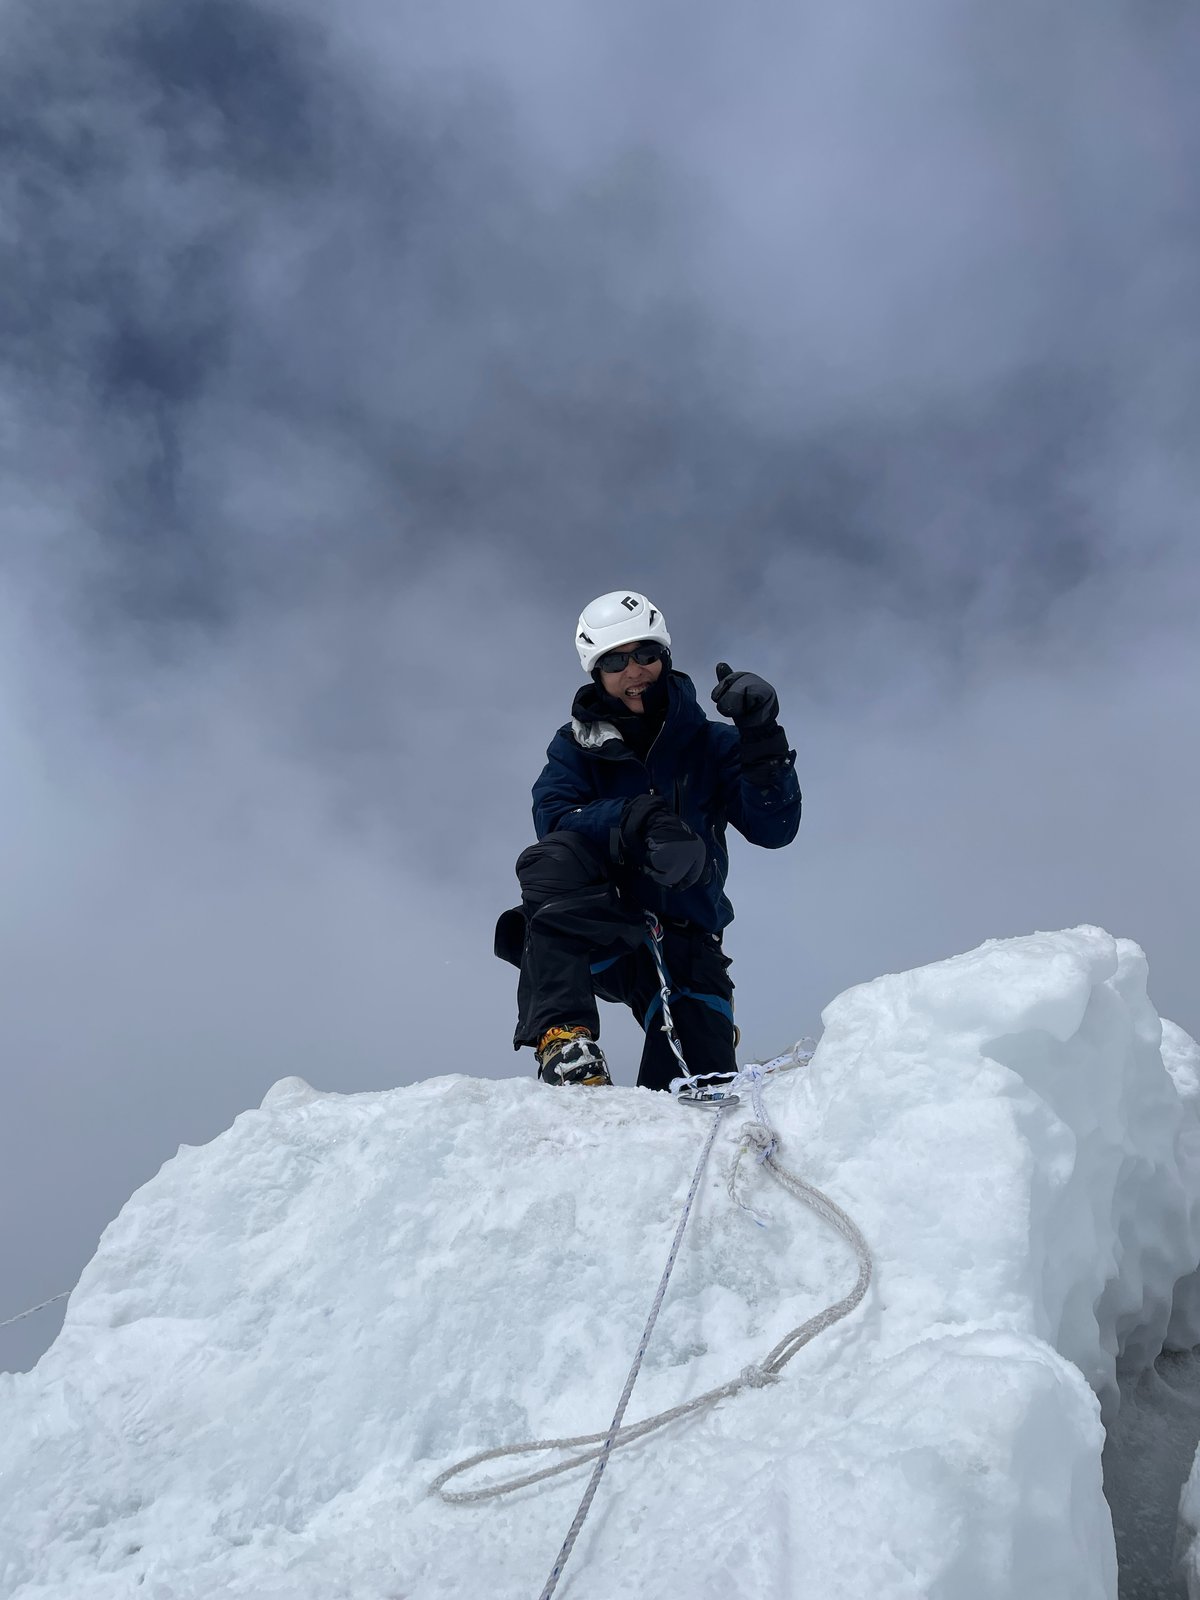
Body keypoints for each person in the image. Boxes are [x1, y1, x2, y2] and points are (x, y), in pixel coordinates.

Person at [494, 590, 802, 1089]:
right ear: (596, 672)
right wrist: (637, 820)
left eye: (645, 654)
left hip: (688, 939)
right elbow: (553, 817)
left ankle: (695, 1040)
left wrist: (762, 738)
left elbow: (775, 829)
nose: (633, 670)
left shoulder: (712, 745)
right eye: (615, 660)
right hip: (602, 922)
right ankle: (565, 1039)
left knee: (696, 1093)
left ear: (665, 656)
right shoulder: (576, 747)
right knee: (554, 856)